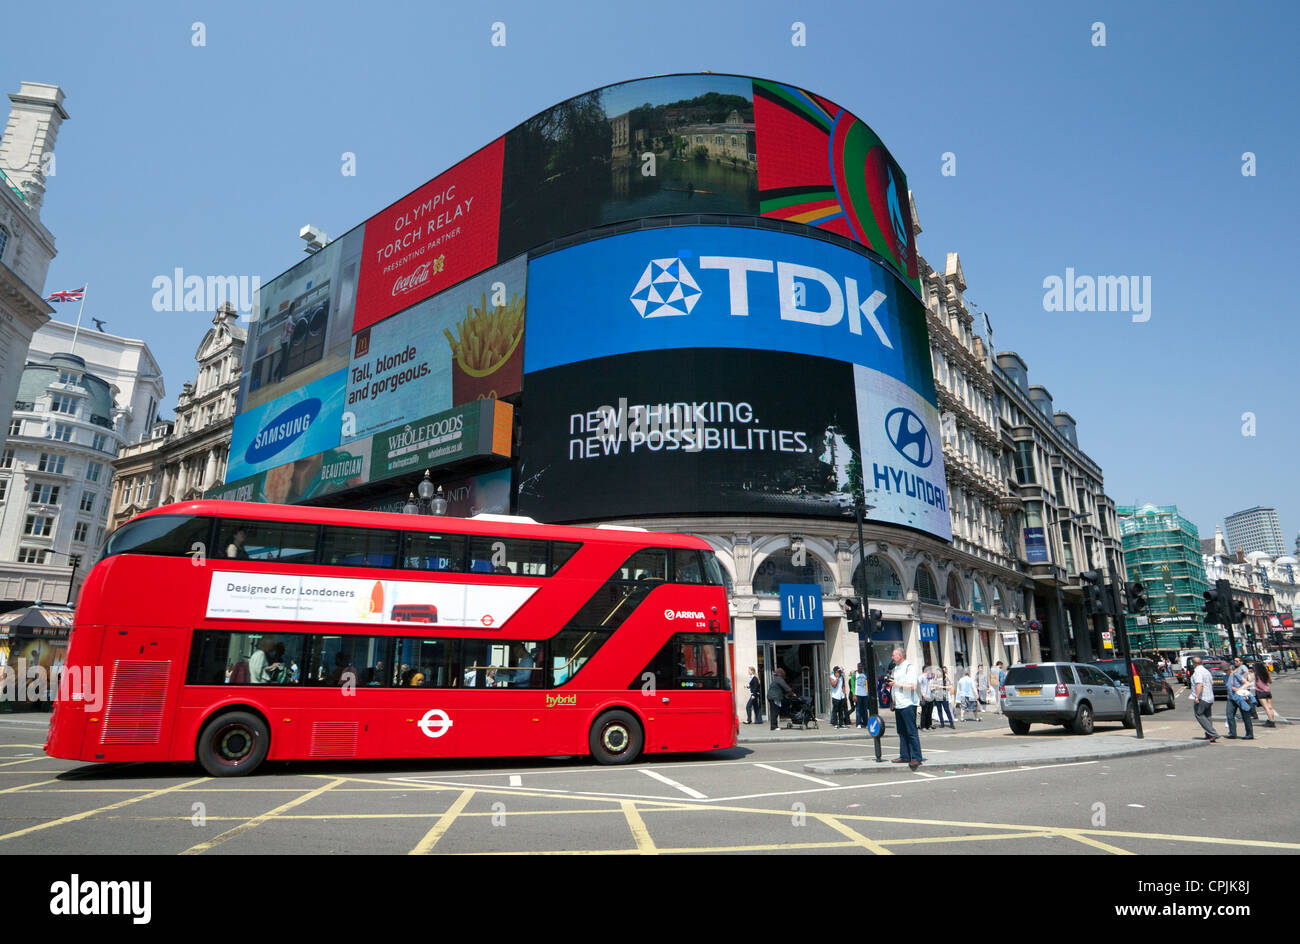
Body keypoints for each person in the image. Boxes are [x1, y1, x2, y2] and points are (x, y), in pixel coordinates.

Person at [888, 648, 923, 770]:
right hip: (899, 704)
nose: (892, 657)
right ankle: (905, 755)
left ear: (900, 656)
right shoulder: (896, 668)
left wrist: (896, 684)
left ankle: (916, 757)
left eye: (894, 655)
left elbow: (913, 686)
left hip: (908, 703)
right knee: (901, 731)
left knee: (911, 731)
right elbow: (894, 686)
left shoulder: (909, 667)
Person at [1225, 657, 1255, 740]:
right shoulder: (1225, 677)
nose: (1225, 672)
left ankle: (1249, 734)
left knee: (1245, 716)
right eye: (1224, 670)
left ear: (1230, 669)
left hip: (1240, 697)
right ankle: (1232, 733)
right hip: (1231, 698)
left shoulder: (1236, 675)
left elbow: (1247, 684)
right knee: (1229, 715)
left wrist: (1239, 689)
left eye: (1226, 670)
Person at [1190, 656, 1219, 742]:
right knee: (1207, 716)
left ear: (1194, 663)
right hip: (1209, 697)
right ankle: (1210, 735)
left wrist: (1196, 696)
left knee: (1199, 714)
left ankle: (1213, 733)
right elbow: (1211, 684)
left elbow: (1199, 684)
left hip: (1202, 697)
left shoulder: (1198, 672)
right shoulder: (1206, 671)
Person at [1254, 662, 1276, 727]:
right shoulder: (1266, 673)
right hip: (1267, 691)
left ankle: (1271, 722)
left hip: (1260, 692)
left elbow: (1253, 682)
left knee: (1266, 708)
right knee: (1270, 707)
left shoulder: (1256, 674)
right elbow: (1270, 682)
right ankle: (1272, 720)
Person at [853, 662, 870, 728]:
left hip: (864, 694)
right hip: (858, 694)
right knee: (858, 709)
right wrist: (854, 694)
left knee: (865, 710)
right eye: (859, 666)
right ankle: (858, 723)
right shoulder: (855, 674)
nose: (860, 668)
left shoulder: (865, 674)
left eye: (861, 666)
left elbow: (867, 684)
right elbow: (853, 685)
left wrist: (867, 693)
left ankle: (865, 723)